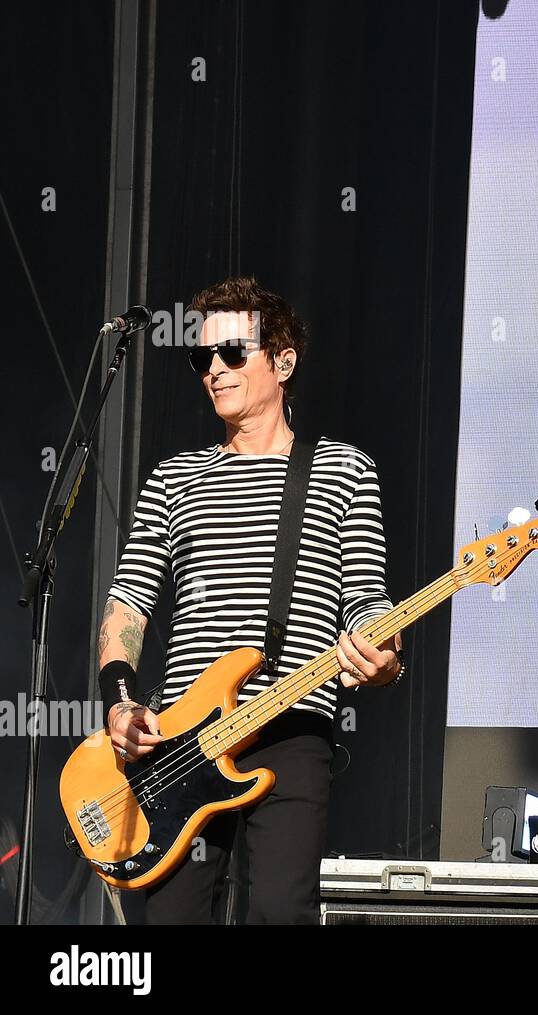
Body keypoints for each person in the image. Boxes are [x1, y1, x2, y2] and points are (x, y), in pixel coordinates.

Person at [96, 277, 402, 924]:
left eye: (232, 353)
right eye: (201, 358)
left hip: (290, 729)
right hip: (179, 741)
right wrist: (121, 702)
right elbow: (128, 605)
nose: (213, 370)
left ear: (283, 360)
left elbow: (367, 601)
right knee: (169, 917)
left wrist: (385, 654)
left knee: (279, 909)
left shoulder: (345, 469)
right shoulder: (173, 478)